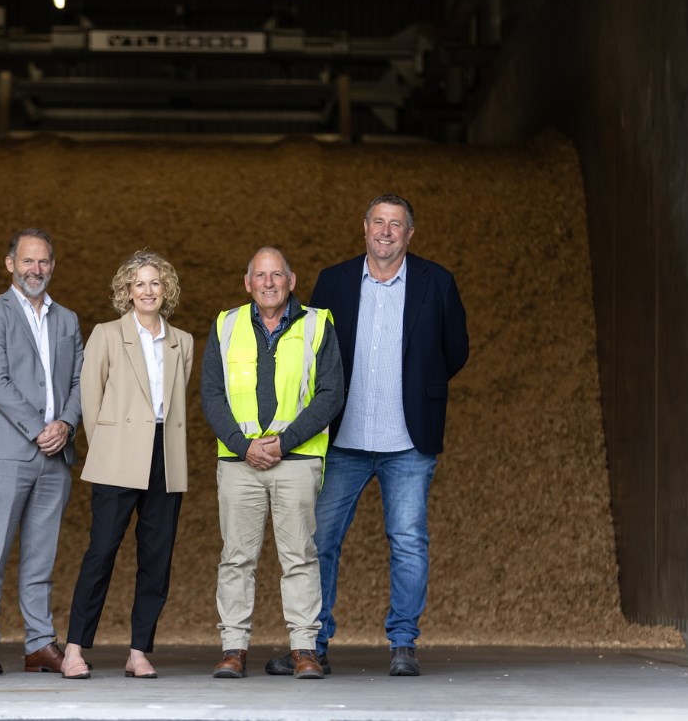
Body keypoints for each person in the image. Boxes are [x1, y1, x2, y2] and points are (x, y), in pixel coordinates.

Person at [265, 193, 468, 678]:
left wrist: (422, 387)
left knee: (408, 540)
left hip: (408, 441)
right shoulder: (333, 281)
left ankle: (403, 643)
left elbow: (455, 350)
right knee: (320, 541)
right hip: (343, 441)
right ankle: (311, 644)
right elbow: (312, 351)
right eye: (378, 222)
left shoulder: (436, 281)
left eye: (396, 224)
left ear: (409, 234)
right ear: (364, 228)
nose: (385, 231)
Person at [201, 247, 344, 680]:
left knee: (299, 556)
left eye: (276, 275)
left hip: (296, 460)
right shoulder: (225, 325)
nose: (268, 282)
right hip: (239, 462)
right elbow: (211, 395)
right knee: (236, 558)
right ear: (248, 283)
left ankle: (304, 649)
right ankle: (233, 649)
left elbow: (330, 394)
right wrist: (244, 446)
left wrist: (284, 442)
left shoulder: (319, 324)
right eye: (259, 275)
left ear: (291, 280)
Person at [60, 251, 194, 680]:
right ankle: (74, 649)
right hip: (117, 455)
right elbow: (91, 395)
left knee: (157, 558)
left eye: (156, 283)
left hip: (164, 458)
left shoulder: (183, 342)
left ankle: (139, 652)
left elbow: (174, 404)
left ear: (166, 289)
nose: (148, 290)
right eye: (139, 284)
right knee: (101, 552)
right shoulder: (106, 334)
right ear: (127, 291)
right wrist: (104, 446)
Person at [0, 227, 83, 676]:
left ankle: (38, 643)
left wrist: (67, 425)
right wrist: (40, 430)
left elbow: (79, 382)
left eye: (44, 262)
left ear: (53, 266)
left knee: (42, 555)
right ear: (10, 263)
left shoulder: (68, 320)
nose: (36, 269)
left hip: (57, 454)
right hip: (8, 450)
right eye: (28, 261)